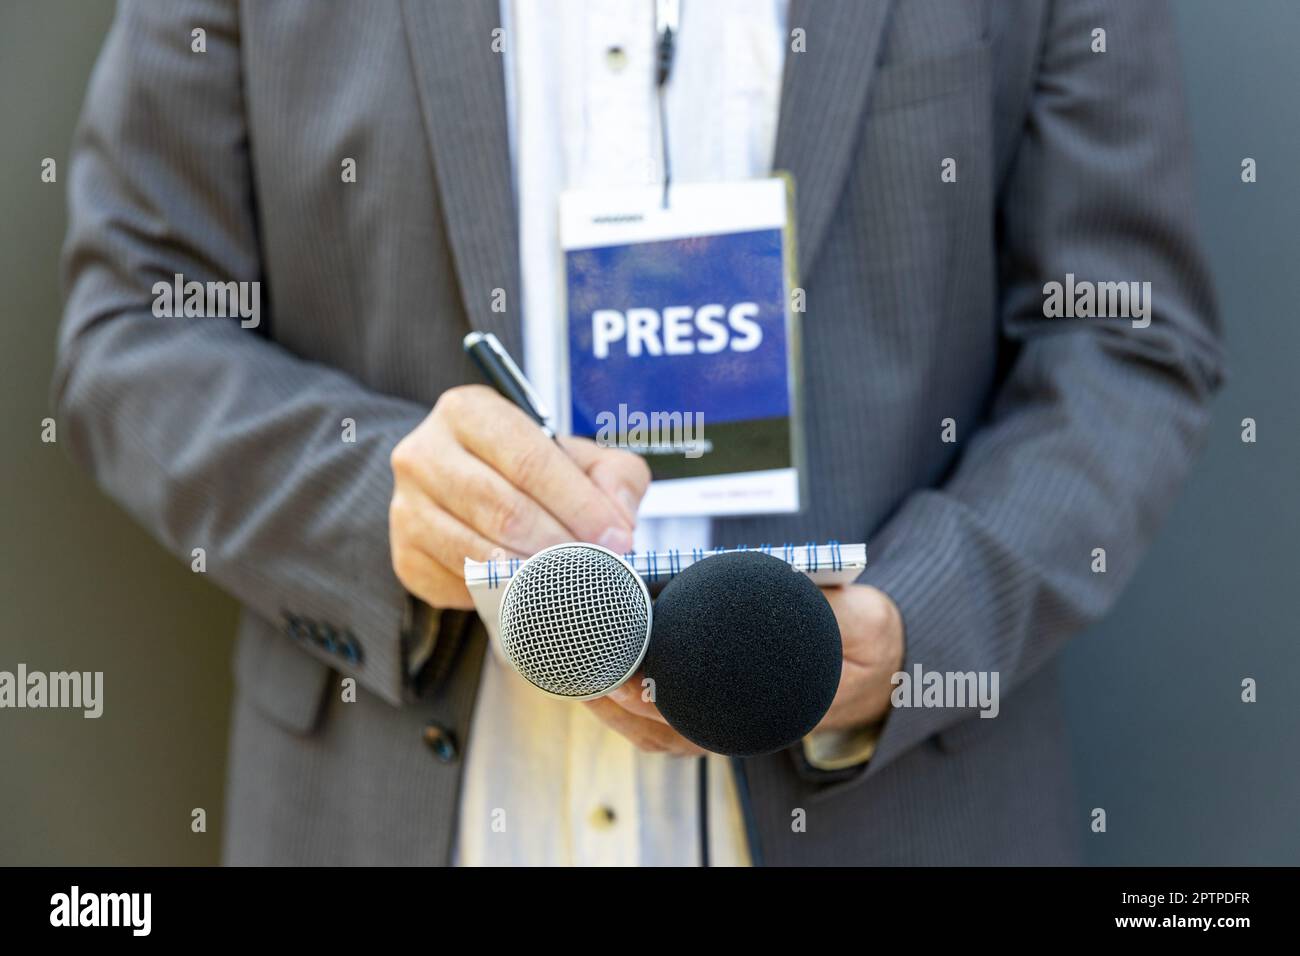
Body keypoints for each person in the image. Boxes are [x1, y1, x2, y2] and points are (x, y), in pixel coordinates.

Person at [55, 0, 1222, 865]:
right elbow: (132, 323)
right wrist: (380, 502)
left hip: (900, 817)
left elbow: (1125, 340)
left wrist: (914, 626)